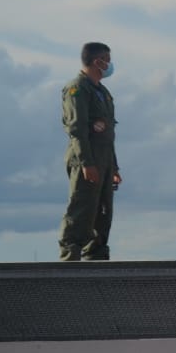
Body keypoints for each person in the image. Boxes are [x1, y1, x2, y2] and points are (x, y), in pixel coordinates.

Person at [59, 41, 122, 261]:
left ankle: (96, 260)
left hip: (104, 160)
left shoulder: (103, 93)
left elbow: (108, 134)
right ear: (98, 61)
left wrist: (113, 167)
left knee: (102, 214)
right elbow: (76, 130)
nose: (110, 65)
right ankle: (69, 258)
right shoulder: (77, 89)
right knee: (81, 210)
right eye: (108, 60)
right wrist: (86, 163)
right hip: (86, 160)